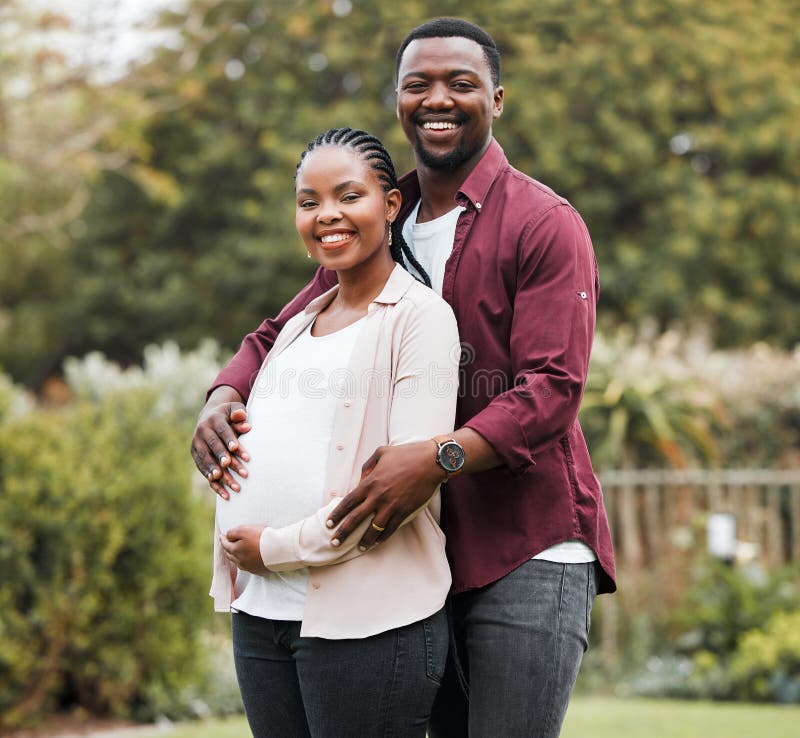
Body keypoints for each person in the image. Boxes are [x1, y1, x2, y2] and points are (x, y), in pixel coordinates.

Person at [191, 18, 617, 738]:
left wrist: (439, 456)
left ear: (498, 98)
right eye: (417, 85)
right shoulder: (385, 216)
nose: (437, 99)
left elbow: (551, 389)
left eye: (461, 84)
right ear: (397, 99)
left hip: (526, 545)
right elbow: (276, 331)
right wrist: (223, 394)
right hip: (422, 553)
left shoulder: (544, 223)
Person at [209, 127, 459, 738]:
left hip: (367, 625)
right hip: (263, 615)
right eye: (308, 201)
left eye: (349, 197)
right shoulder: (300, 323)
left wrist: (275, 548)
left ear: (391, 205)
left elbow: (397, 491)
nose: (328, 216)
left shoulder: (421, 318)